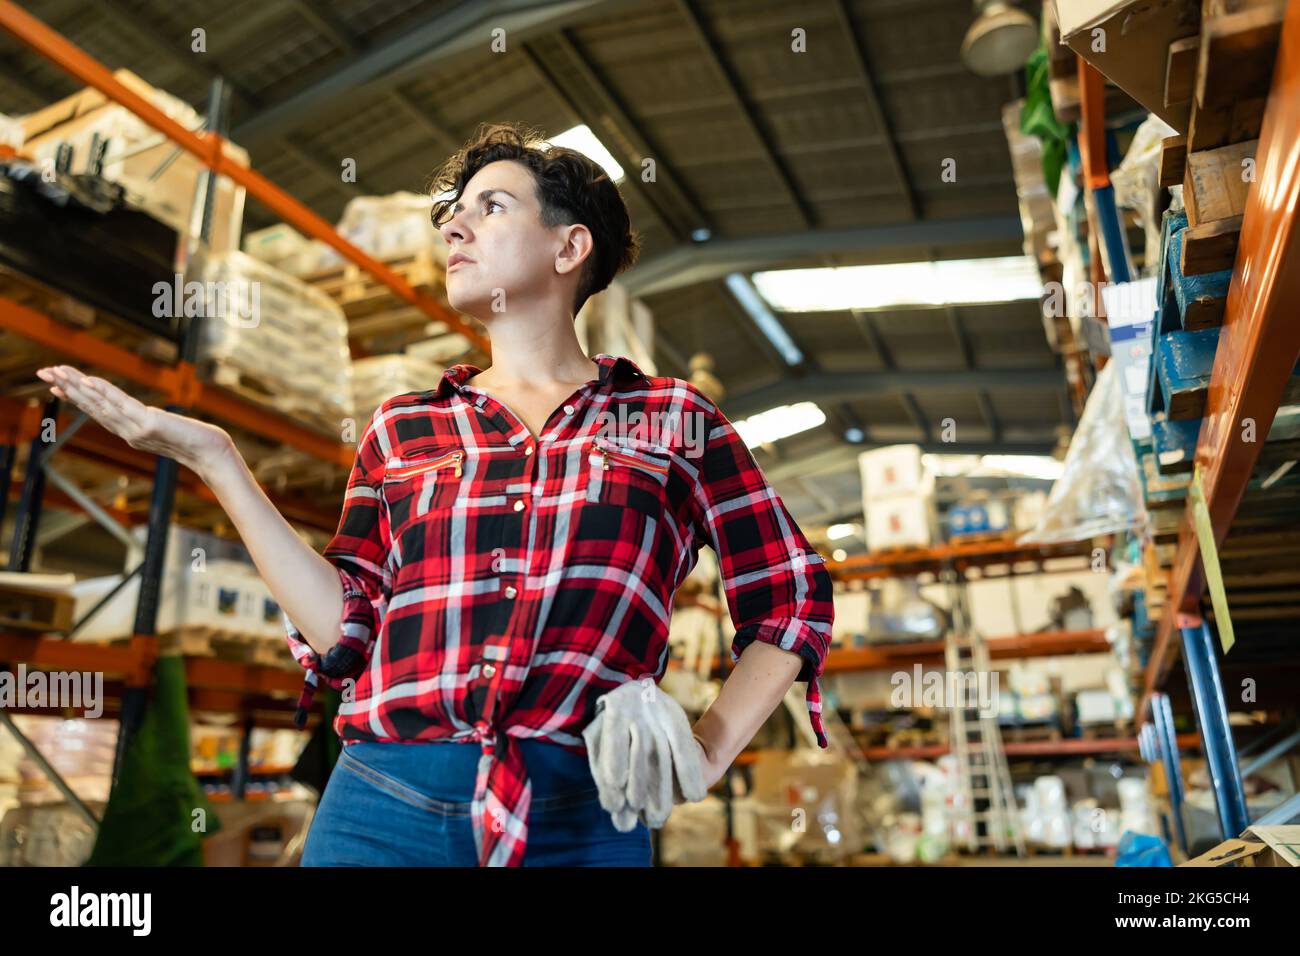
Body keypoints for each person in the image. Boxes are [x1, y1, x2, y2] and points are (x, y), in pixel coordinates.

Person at [36, 121, 834, 867]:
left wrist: (706, 751)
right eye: (454, 212)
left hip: (582, 813)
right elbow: (345, 628)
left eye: (491, 207)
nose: (454, 226)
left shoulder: (670, 420)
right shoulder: (402, 427)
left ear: (569, 247)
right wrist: (218, 462)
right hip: (382, 802)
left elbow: (790, 594)